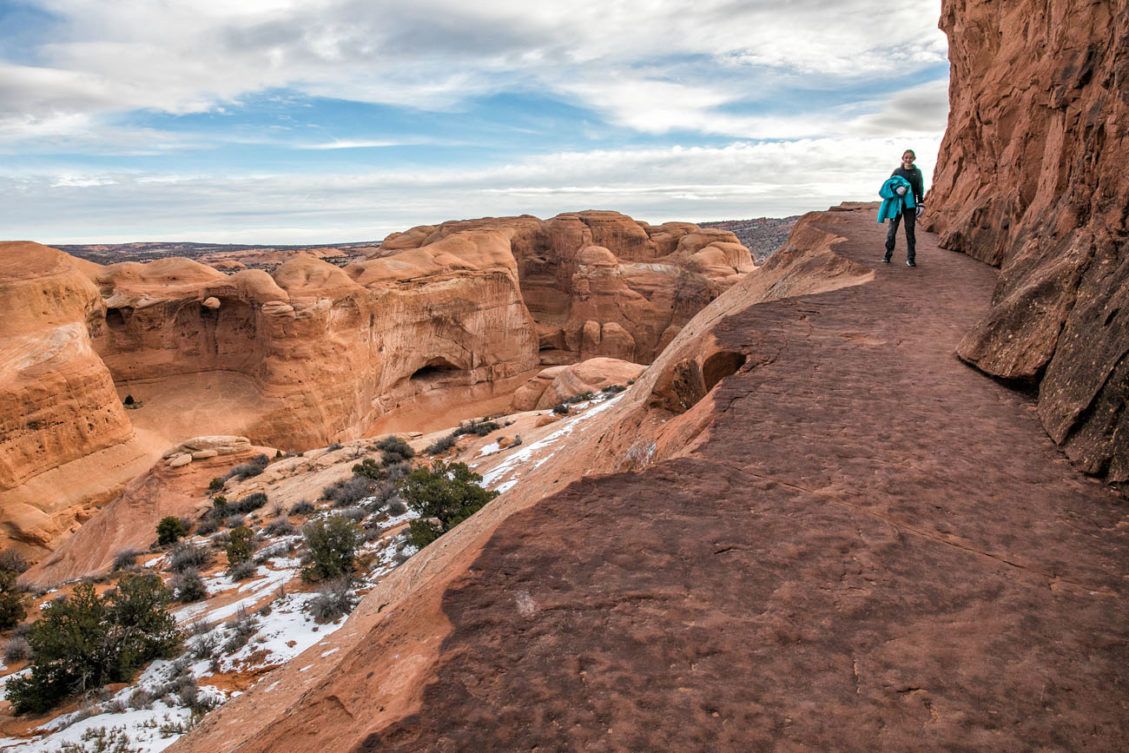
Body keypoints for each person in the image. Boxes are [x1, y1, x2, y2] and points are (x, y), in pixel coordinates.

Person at [883, 149, 925, 267]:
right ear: (903, 158)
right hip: (897, 204)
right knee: (892, 230)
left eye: (910, 157)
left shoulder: (917, 172)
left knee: (910, 231)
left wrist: (921, 204)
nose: (908, 159)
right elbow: (889, 184)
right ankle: (887, 255)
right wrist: (896, 189)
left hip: (910, 206)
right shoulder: (897, 171)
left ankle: (911, 258)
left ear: (914, 159)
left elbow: (920, 188)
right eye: (906, 157)